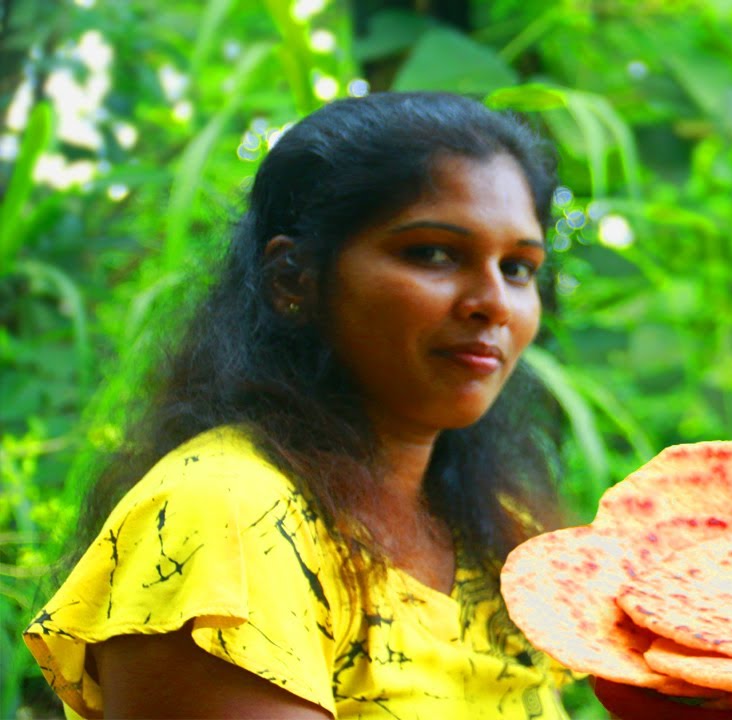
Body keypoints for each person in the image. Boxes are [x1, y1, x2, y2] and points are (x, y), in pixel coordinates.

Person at [23, 92, 573, 719]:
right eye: (433, 253)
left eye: (519, 267)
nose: (494, 303)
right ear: (294, 278)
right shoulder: (224, 518)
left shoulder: (498, 538)